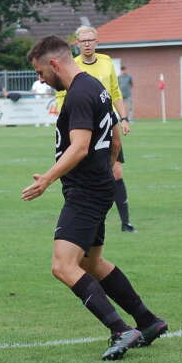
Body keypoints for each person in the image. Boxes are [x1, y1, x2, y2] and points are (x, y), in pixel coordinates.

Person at [21, 35, 167, 361]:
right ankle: (147, 321)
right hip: (100, 186)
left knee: (63, 265)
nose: (40, 79)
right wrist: (109, 165)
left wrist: (47, 178)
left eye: (41, 72)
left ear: (54, 63)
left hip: (86, 192)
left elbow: (79, 147)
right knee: (91, 263)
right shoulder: (95, 86)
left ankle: (120, 329)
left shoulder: (78, 95)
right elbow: (115, 134)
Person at [60, 25, 135, 232]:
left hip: (108, 125)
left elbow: (115, 92)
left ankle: (125, 222)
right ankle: (85, 216)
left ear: (97, 41)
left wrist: (124, 118)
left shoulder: (107, 61)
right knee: (83, 174)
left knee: (117, 172)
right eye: (83, 41)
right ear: (77, 43)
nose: (87, 44)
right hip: (84, 128)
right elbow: (62, 99)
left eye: (90, 40)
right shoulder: (72, 66)